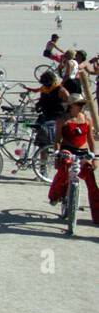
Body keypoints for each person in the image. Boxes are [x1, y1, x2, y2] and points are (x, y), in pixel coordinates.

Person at [47, 94, 98, 223]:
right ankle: (56, 195)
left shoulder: (86, 119)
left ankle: (97, 216)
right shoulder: (63, 120)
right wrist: (57, 153)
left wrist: (94, 158)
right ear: (71, 106)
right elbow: (57, 140)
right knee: (65, 167)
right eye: (79, 104)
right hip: (67, 149)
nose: (81, 107)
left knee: (91, 180)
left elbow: (91, 140)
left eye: (82, 104)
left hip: (82, 151)